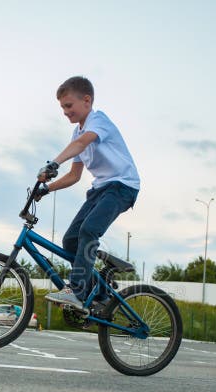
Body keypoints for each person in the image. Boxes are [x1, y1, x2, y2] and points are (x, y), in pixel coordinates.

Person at [36, 76, 140, 311]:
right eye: (62, 107)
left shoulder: (98, 121)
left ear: (87, 100)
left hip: (123, 186)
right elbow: (75, 175)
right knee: (71, 240)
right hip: (100, 189)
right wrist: (46, 189)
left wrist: (53, 163)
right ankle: (101, 292)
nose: (65, 111)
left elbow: (84, 143)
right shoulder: (76, 134)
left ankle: (77, 291)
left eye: (68, 105)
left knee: (89, 229)